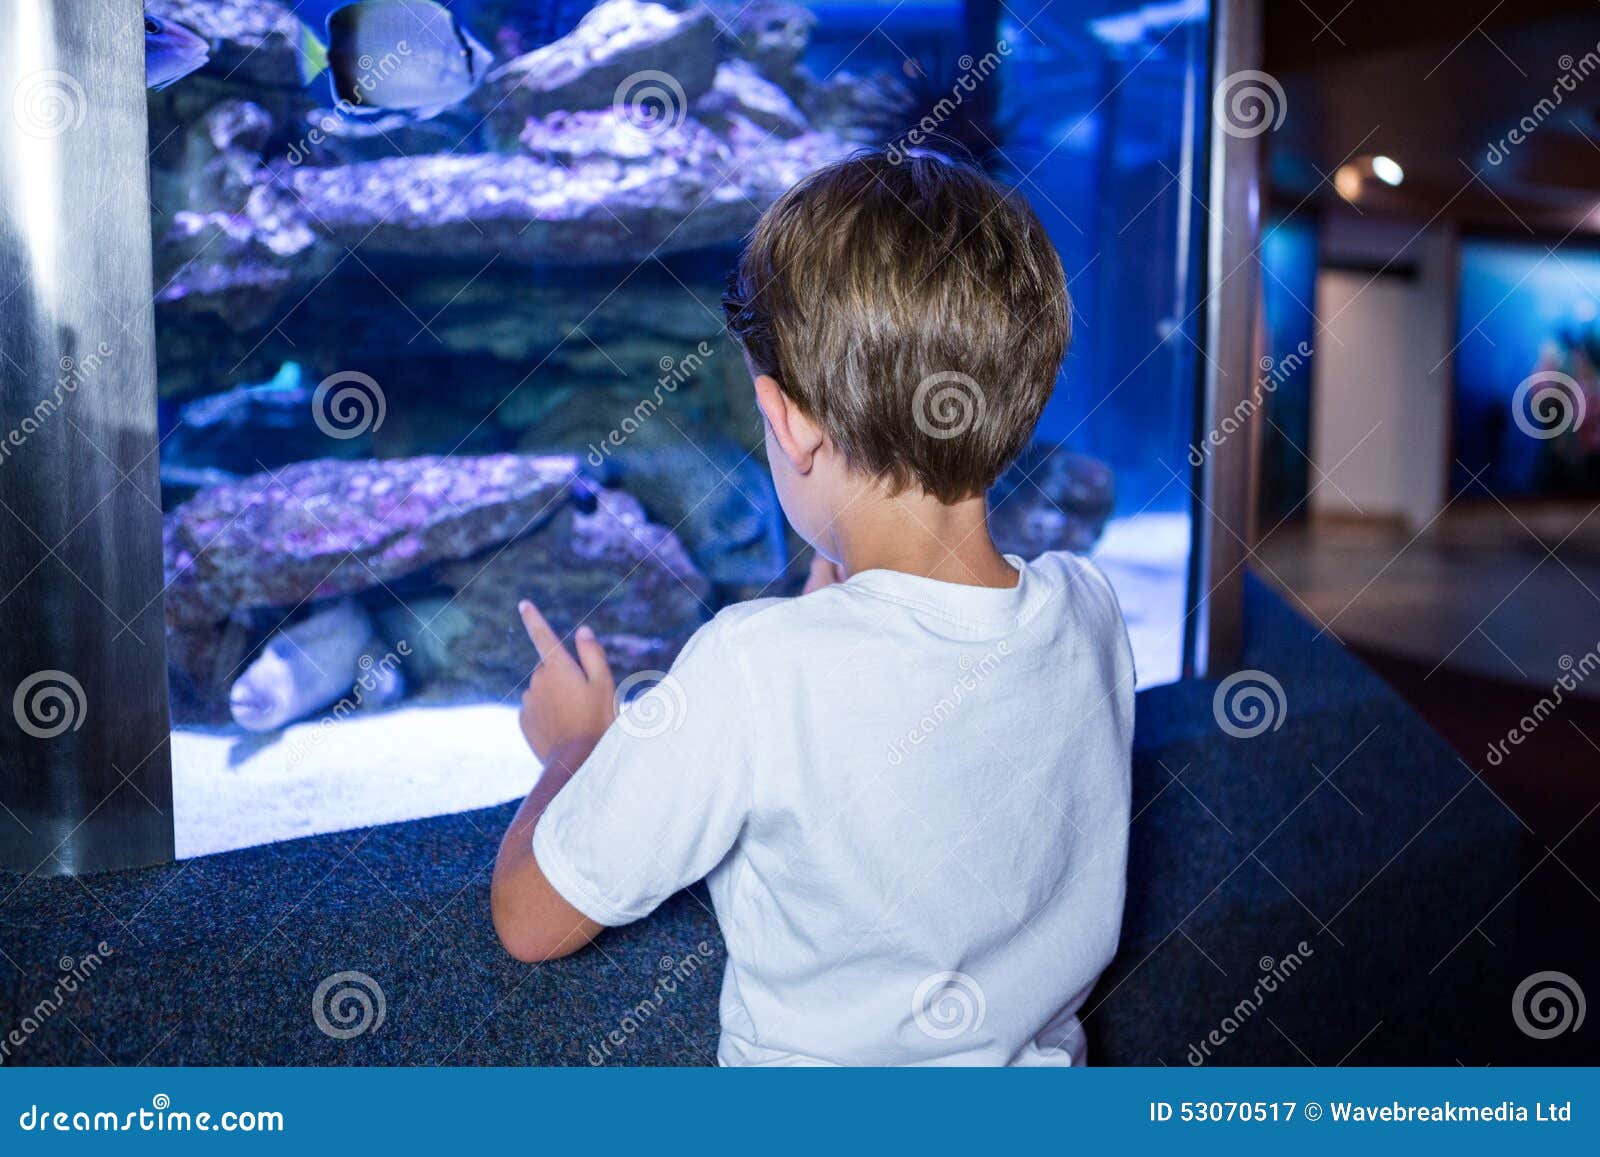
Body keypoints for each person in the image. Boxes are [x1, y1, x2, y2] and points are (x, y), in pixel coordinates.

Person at [491, 150, 1135, 1066]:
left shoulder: (753, 669)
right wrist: (830, 585)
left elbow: (530, 918)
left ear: (785, 419)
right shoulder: (1091, 608)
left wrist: (575, 746)